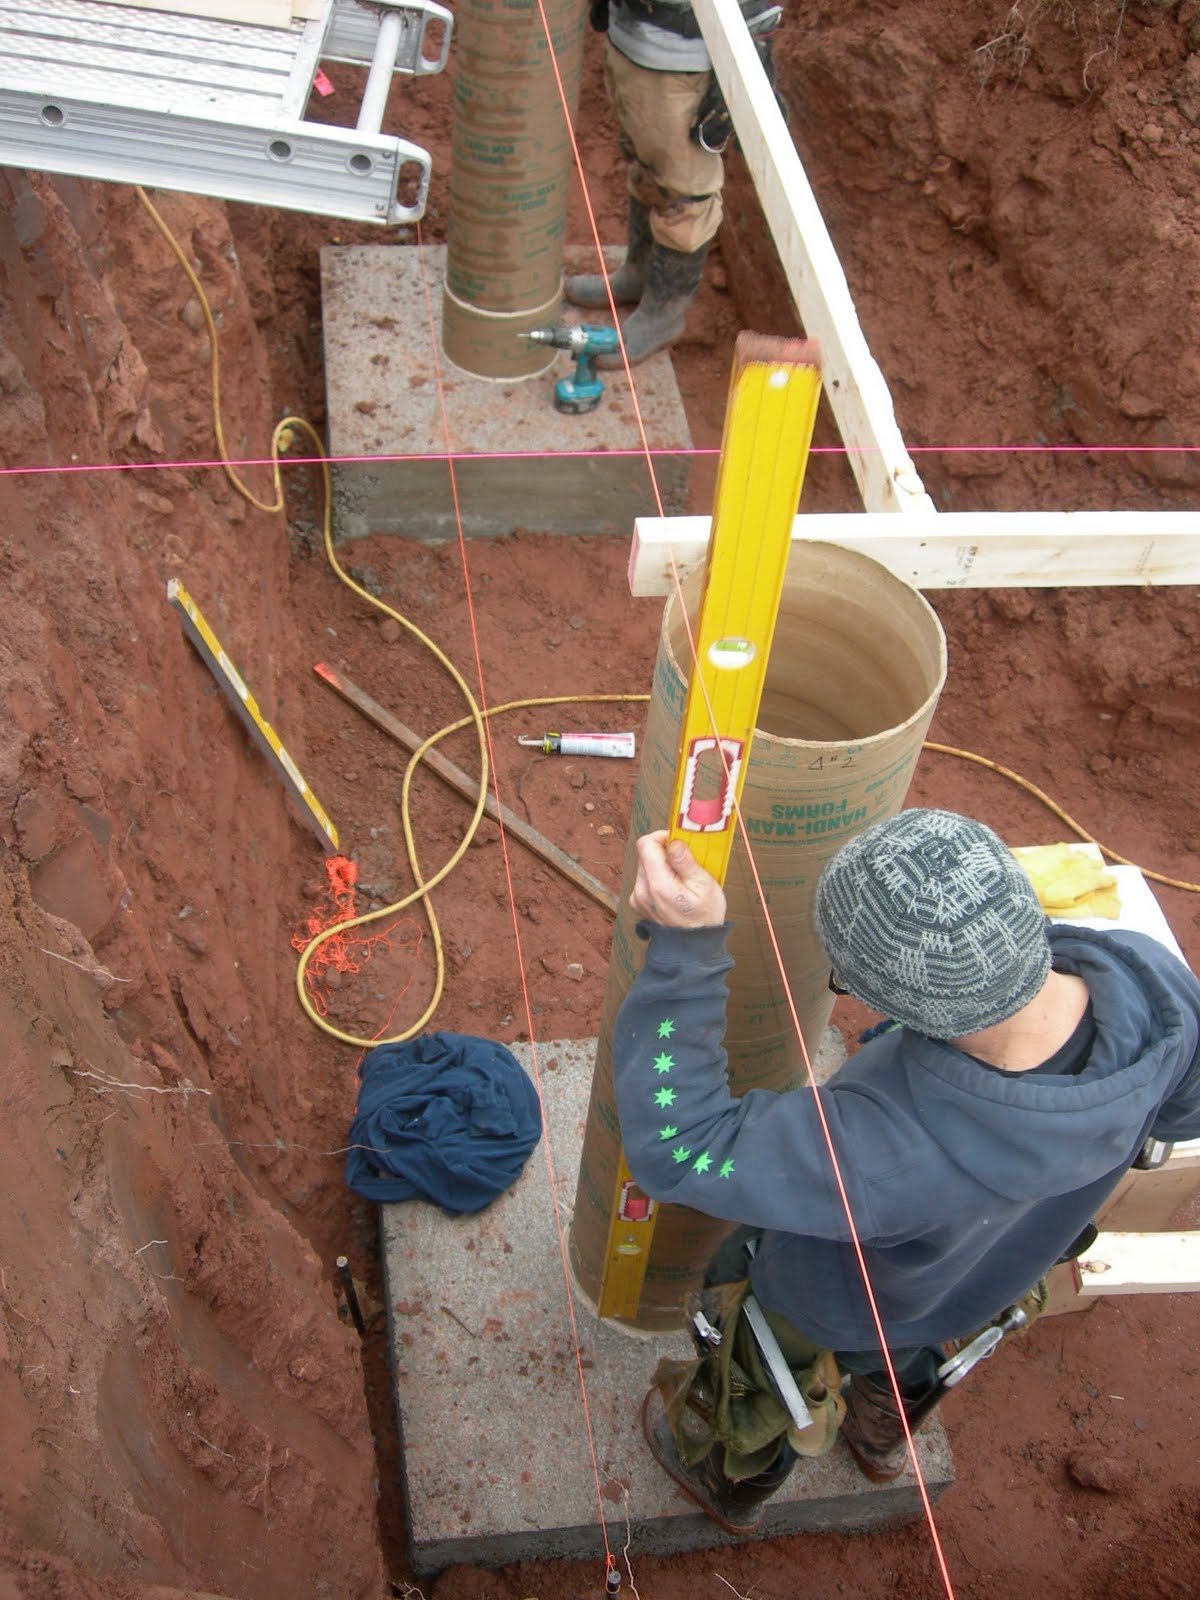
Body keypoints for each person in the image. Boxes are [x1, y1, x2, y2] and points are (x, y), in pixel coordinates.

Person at [613, 808, 1200, 1532]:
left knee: (768, 1362)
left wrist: (684, 948)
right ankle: (882, 1426)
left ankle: (734, 1477)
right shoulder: (1153, 994)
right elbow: (1183, 1111)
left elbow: (678, 1146)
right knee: (909, 1344)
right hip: (992, 1272)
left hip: (840, 1297)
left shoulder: (882, 1155)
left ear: (898, 1003)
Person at [566, 0, 783, 366]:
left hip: (684, 61)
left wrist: (753, 45)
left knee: (682, 193)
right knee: (645, 164)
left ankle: (662, 314)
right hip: (632, 39)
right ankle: (638, 274)